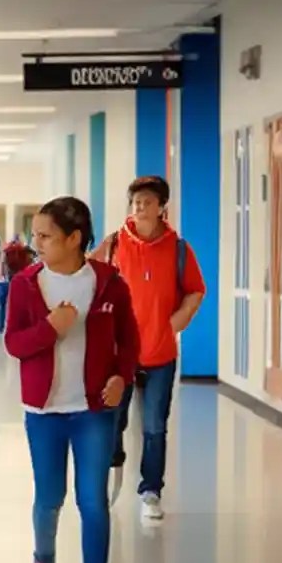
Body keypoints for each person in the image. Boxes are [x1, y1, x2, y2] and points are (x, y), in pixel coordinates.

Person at [6, 196, 140, 563]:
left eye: (46, 236)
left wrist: (121, 377)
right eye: (36, 235)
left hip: (93, 410)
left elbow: (129, 342)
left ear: (74, 238)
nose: (37, 243)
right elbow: (14, 344)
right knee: (49, 499)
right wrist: (50, 328)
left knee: (93, 501)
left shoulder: (109, 283)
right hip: (43, 411)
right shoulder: (26, 284)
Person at [90, 176, 205, 520]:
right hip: (119, 354)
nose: (140, 207)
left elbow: (195, 289)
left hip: (160, 353)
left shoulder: (178, 249)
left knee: (155, 427)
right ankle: (111, 470)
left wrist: (177, 320)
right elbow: (89, 280)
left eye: (147, 202)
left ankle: (151, 491)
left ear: (161, 208)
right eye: (136, 201)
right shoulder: (114, 244)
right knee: (112, 420)